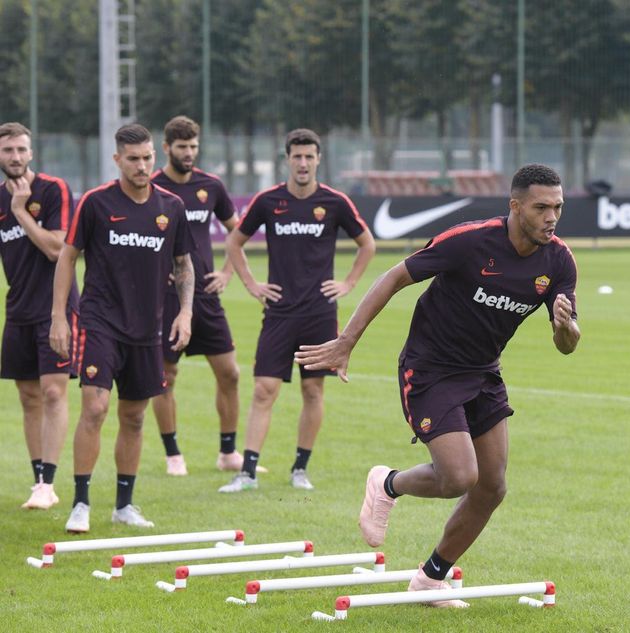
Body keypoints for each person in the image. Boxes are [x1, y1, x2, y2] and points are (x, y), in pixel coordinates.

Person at [294, 163, 580, 603]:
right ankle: (387, 483)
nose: (551, 217)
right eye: (542, 207)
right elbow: (394, 278)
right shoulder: (469, 241)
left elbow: (566, 346)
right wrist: (345, 341)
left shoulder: (558, 260)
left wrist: (567, 328)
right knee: (460, 476)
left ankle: (430, 579)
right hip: (429, 368)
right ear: (516, 206)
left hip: (484, 372)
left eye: (557, 207)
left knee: (493, 487)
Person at [50, 123, 196, 533]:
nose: (142, 165)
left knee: (133, 417)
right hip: (100, 322)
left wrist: (185, 313)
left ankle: (123, 505)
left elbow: (184, 266)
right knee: (95, 408)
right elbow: (67, 257)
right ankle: (80, 502)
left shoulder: (171, 207)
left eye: (148, 157)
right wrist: (59, 316)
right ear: (117, 160)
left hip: (148, 329)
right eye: (133, 159)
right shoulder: (97, 203)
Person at [219, 128, 375, 493]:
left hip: (319, 313)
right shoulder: (268, 201)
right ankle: (248, 473)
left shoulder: (334, 202)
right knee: (263, 389)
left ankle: (300, 469)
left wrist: (348, 284)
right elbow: (234, 241)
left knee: (313, 392)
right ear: (287, 159)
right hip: (279, 312)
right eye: (297, 156)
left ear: (318, 159)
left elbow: (366, 244)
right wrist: (252, 285)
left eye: (309, 156)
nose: (303, 163)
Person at [149, 115, 242, 476]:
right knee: (166, 376)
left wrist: (228, 272)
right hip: (166, 298)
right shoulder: (153, 187)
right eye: (182, 147)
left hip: (205, 295)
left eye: (193, 146)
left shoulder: (211, 186)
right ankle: (173, 454)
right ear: (167, 148)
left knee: (230, 374)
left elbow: (238, 232)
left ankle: (228, 452)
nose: (188, 153)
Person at [0, 122, 79, 510]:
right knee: (28, 395)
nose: (14, 157)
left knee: (52, 392)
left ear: (31, 153)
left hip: (56, 309)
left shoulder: (52, 190)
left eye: (20, 149)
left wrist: (20, 212)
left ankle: (49, 481)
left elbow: (56, 248)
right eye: (7, 150)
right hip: (18, 310)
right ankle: (38, 482)